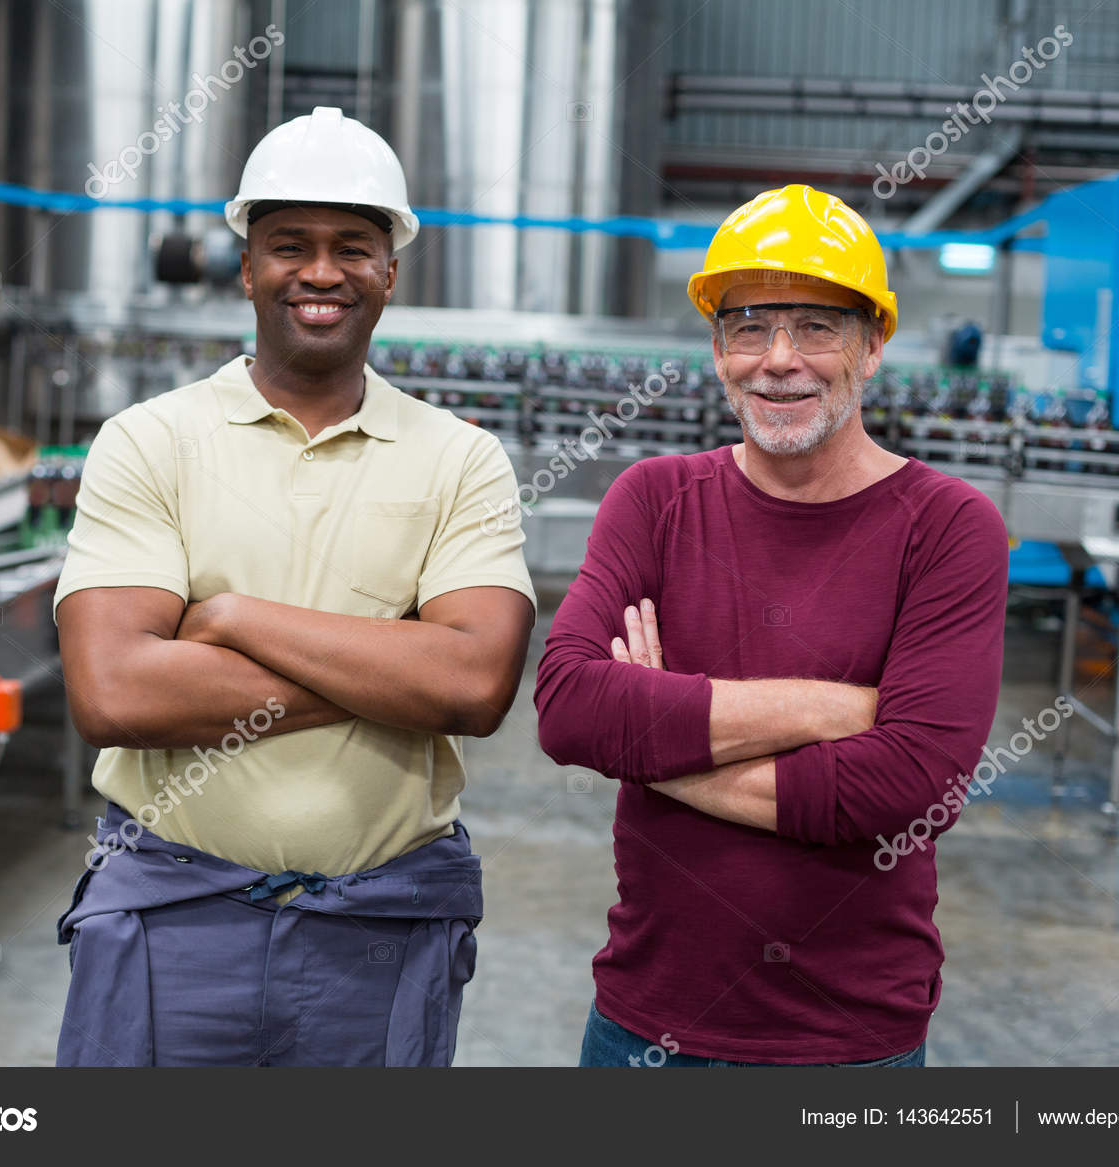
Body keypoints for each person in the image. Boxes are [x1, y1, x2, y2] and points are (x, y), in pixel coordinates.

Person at [53, 107, 536, 1067]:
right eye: (290, 246)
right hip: (171, 922)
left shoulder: (462, 460)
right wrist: (392, 664)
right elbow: (114, 693)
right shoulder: (151, 440)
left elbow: (477, 687)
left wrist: (231, 619)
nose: (321, 272)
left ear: (390, 270)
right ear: (246, 267)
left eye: (352, 247)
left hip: (380, 933)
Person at [535, 184, 1008, 1067]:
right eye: (749, 326)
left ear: (872, 348)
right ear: (719, 348)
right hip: (643, 1026)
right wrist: (839, 710)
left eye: (817, 328)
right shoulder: (655, 500)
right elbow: (568, 710)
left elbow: (907, 783)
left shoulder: (947, 527)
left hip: (848, 1040)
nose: (778, 359)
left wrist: (655, 739)